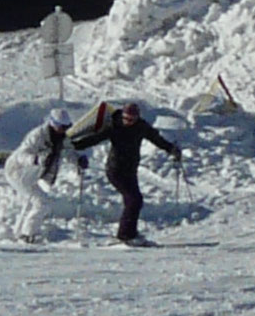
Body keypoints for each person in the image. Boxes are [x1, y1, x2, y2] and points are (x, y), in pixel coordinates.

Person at [70, 99, 182, 245]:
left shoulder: (141, 127)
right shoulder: (114, 126)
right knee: (134, 200)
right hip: (115, 170)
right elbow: (94, 138)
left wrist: (171, 149)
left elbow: (156, 139)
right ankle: (125, 235)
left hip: (131, 170)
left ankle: (130, 232)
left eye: (132, 119)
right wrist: (73, 146)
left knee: (134, 201)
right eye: (126, 118)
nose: (128, 121)